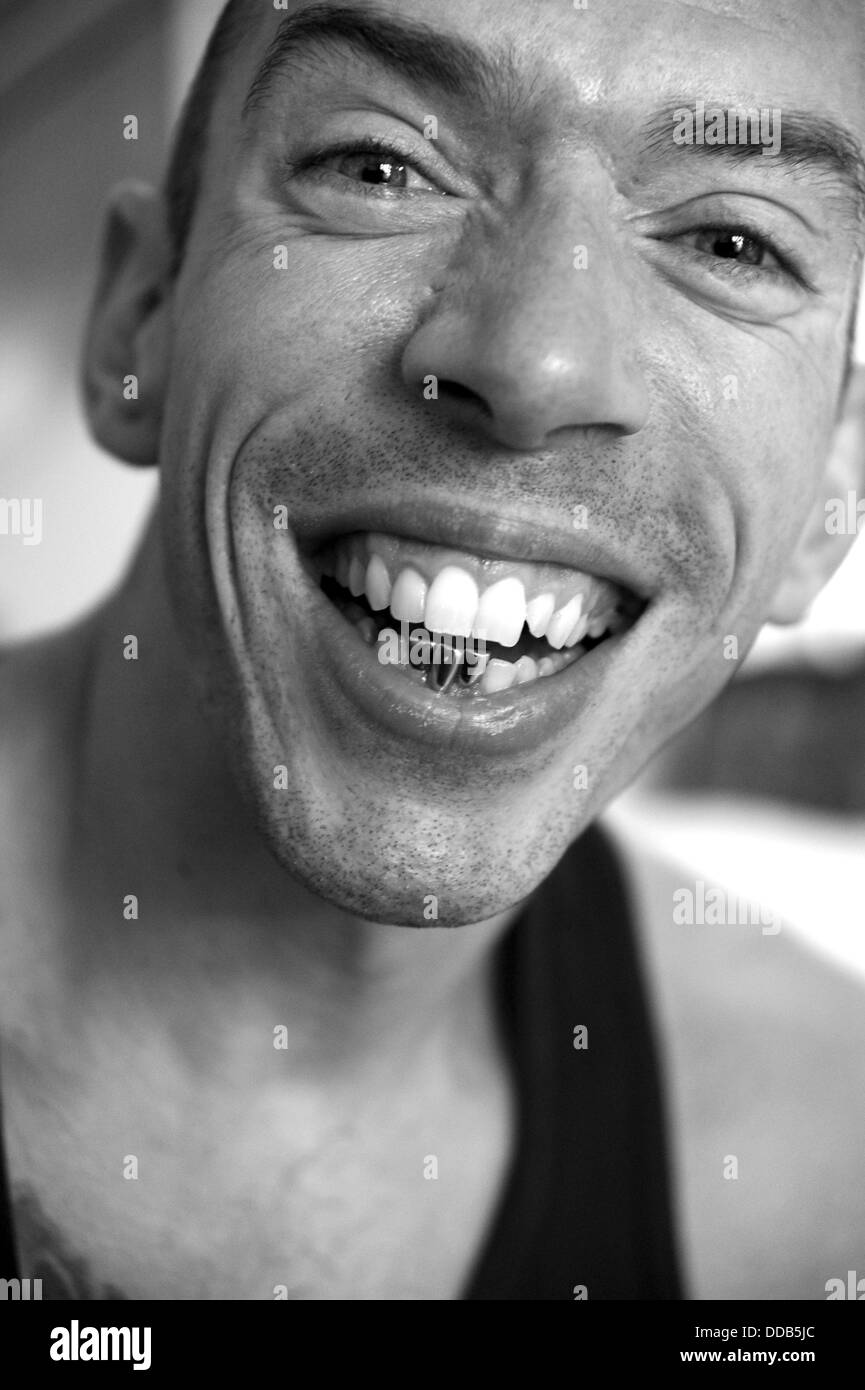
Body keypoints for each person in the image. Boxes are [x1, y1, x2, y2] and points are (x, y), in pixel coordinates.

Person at [1, 0, 864, 1301]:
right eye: (378, 165)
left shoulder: (822, 1186)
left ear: (830, 502)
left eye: (729, 239)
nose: (536, 362)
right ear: (142, 317)